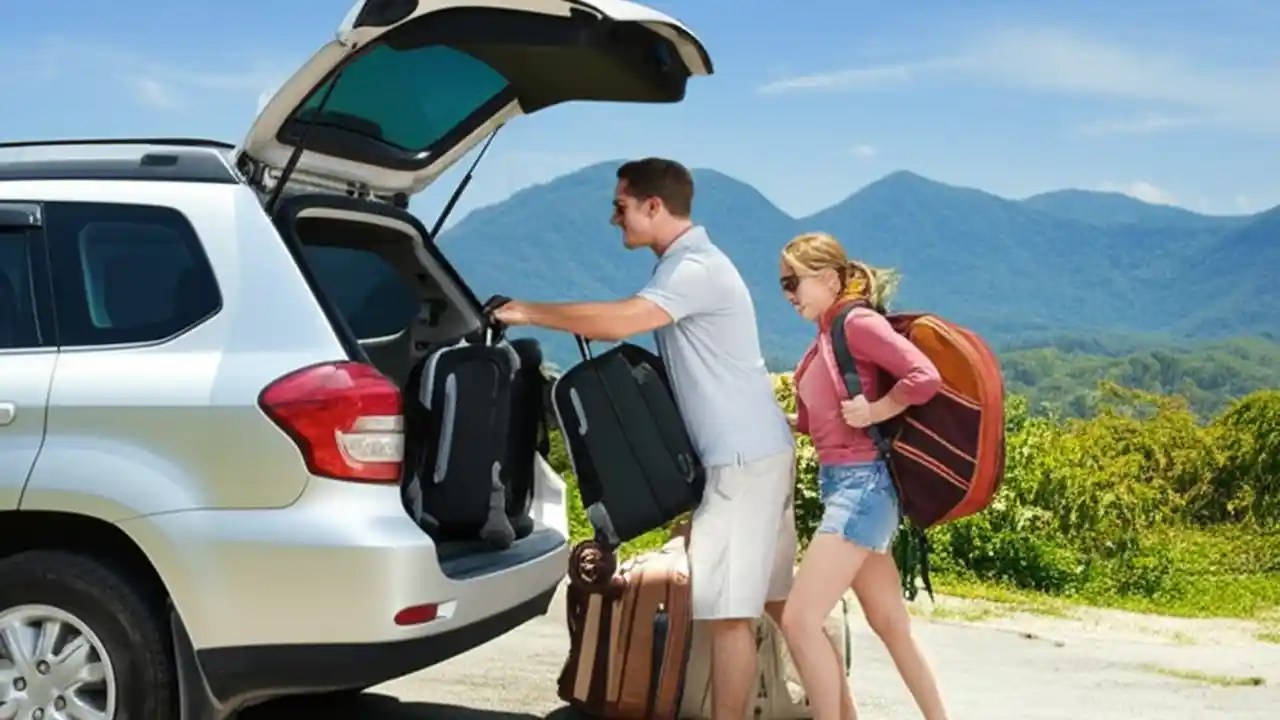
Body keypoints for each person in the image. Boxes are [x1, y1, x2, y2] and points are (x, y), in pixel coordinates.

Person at [493, 157, 798, 719]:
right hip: (758, 452)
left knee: (729, 616)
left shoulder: (695, 268)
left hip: (740, 461)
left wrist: (526, 312)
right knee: (782, 606)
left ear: (654, 206)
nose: (615, 219)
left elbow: (618, 322)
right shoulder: (689, 263)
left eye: (621, 206)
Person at [777, 231, 950, 720]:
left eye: (795, 282)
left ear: (830, 278)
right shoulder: (823, 341)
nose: (788, 294)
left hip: (862, 489)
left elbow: (924, 376)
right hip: (846, 485)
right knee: (890, 624)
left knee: (800, 620)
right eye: (782, 285)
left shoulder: (856, 324)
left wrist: (877, 409)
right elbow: (818, 422)